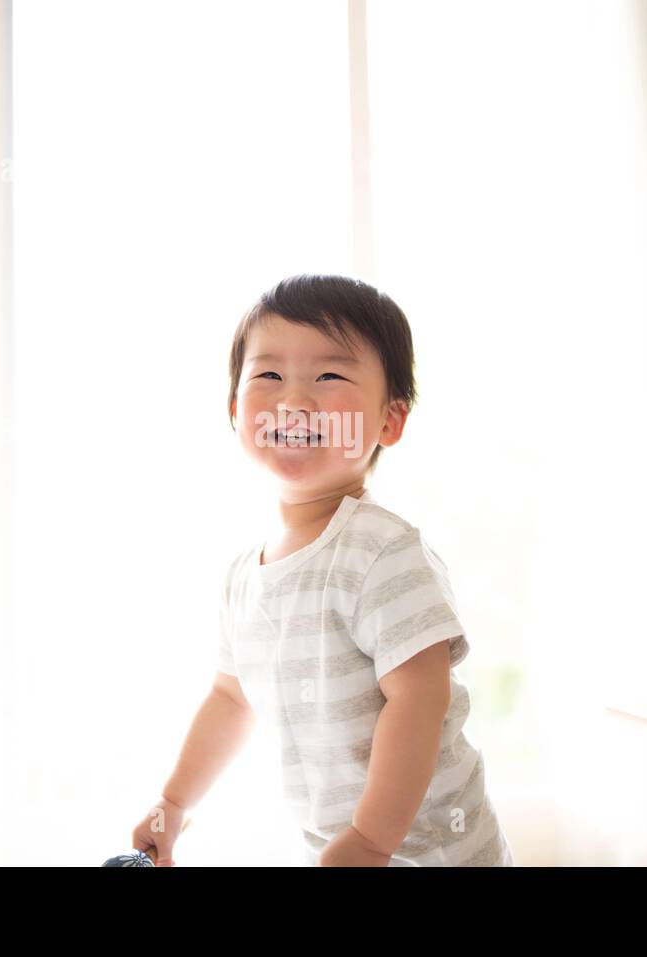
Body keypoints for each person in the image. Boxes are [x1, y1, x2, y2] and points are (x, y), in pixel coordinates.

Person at [130, 274, 514, 867]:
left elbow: (419, 699)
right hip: (344, 849)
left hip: (431, 851)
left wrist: (370, 839)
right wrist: (172, 804)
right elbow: (230, 699)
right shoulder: (244, 575)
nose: (294, 401)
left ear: (390, 420)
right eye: (269, 376)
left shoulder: (382, 551)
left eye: (329, 376)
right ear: (235, 411)